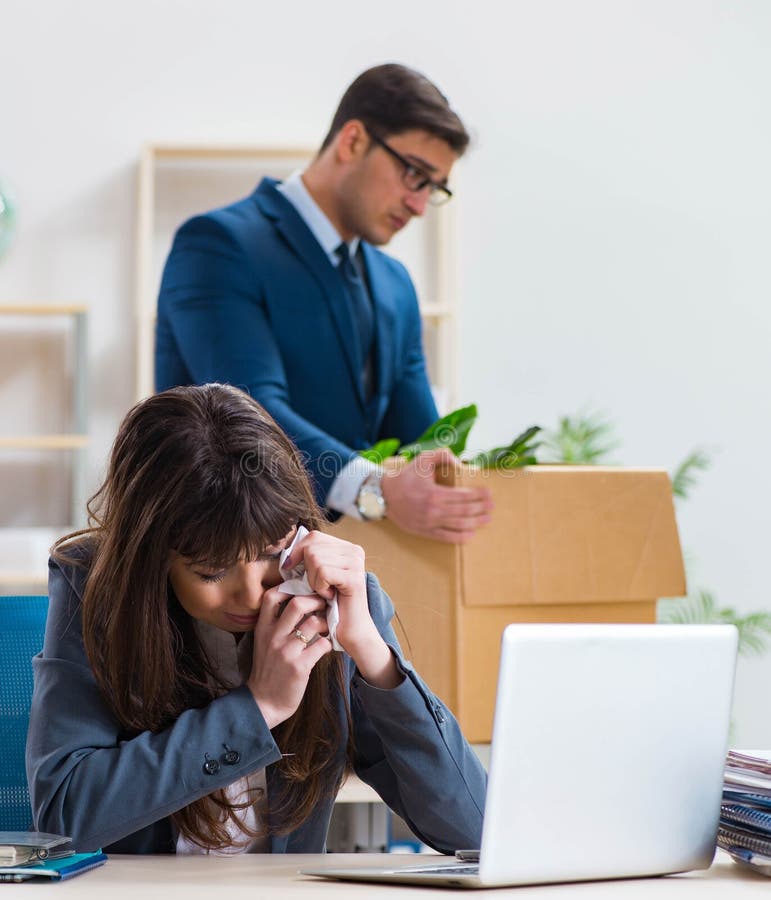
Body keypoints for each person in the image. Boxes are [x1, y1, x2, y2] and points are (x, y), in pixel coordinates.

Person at [26, 383, 487, 855]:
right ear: (152, 557)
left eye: (271, 554)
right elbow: (65, 819)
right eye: (212, 570)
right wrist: (259, 707)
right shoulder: (96, 586)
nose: (250, 594)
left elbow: (474, 832)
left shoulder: (331, 595)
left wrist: (373, 654)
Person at [155, 63, 492, 544]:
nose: (419, 205)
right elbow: (250, 420)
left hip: (354, 586)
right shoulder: (219, 245)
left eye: (433, 189)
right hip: (222, 568)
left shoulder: (396, 284)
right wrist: (379, 490)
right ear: (353, 141)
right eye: (414, 174)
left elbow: (423, 439)